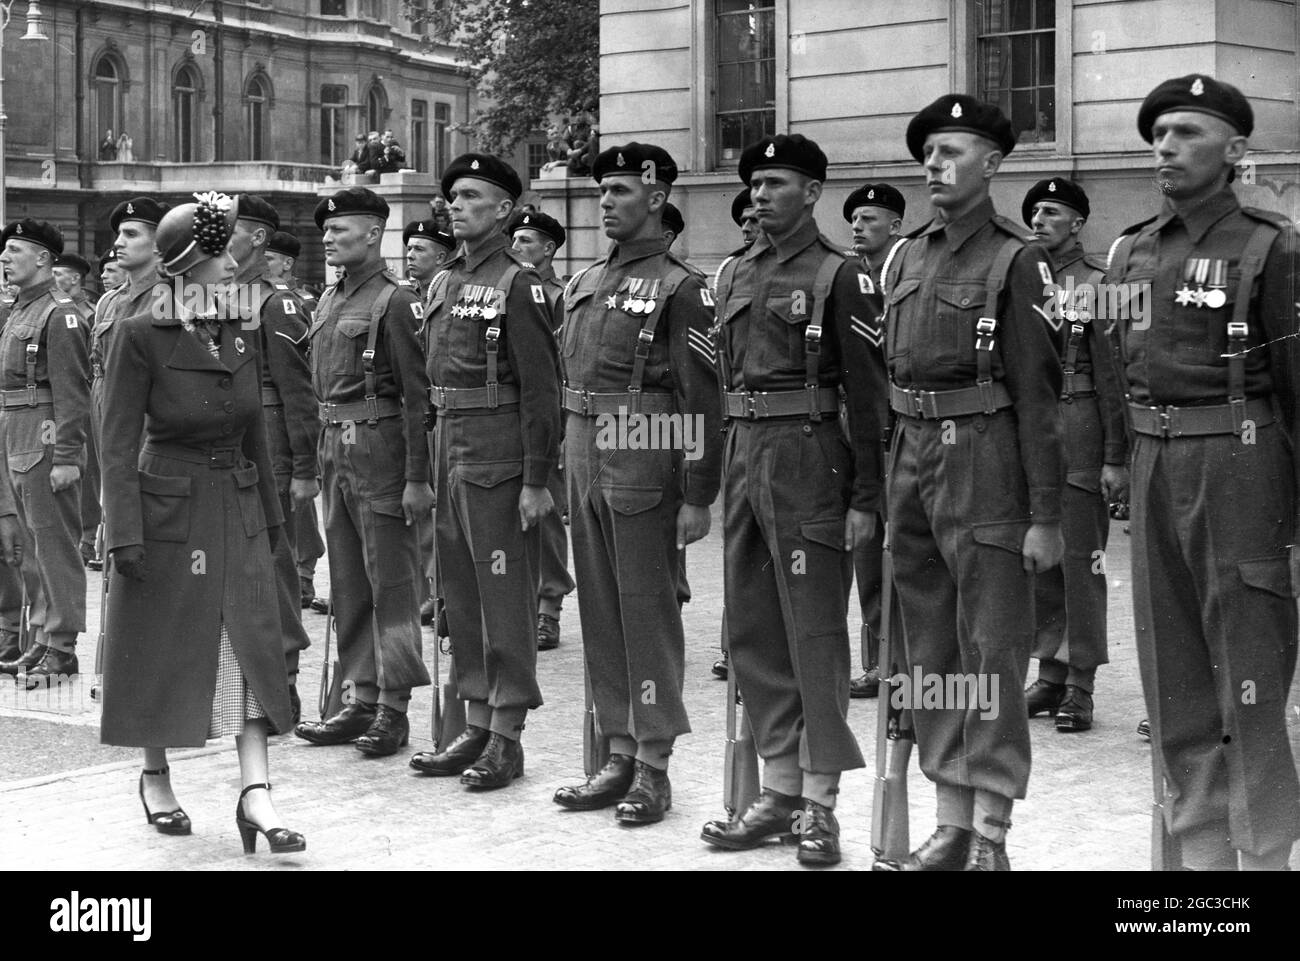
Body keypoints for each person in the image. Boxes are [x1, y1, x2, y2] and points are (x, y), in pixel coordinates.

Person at [1108, 75, 1299, 871]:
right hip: (1154, 463)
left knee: (1246, 684)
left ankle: (1261, 863)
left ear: (1236, 150)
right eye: (1160, 133)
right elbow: (1111, 367)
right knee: (1175, 682)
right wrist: (1117, 461)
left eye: (1188, 132)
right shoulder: (1130, 250)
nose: (1166, 146)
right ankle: (1200, 866)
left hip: (1239, 463)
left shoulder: (1273, 245)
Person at [872, 95, 1064, 873]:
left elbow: (1042, 398)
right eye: (929, 153)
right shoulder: (904, 257)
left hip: (985, 458)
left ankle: (990, 830)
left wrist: (1046, 514)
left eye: (954, 151)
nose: (935, 165)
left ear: (993, 163)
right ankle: (949, 817)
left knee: (988, 650)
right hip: (912, 455)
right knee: (930, 648)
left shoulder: (1020, 261)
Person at [698, 134, 885, 867]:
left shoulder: (842, 275)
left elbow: (869, 401)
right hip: (746, 455)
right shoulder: (736, 271)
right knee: (751, 629)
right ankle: (777, 786)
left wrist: (868, 496)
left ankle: (821, 800)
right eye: (756, 183)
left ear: (812, 192)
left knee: (813, 632)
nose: (761, 193)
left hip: (809, 457)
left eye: (777, 182)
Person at [98, 192, 303, 854]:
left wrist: (276, 528)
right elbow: (117, 439)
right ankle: (155, 774)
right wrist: (124, 530)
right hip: (167, 510)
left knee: (249, 644)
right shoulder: (139, 334)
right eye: (221, 263)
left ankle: (257, 793)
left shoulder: (244, 329)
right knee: (159, 644)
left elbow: (256, 438)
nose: (235, 272)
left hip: (235, 504)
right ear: (187, 269)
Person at [551, 142, 722, 823]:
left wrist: (698, 492)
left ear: (656, 198)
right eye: (603, 192)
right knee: (599, 613)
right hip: (586, 454)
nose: (607, 202)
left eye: (621, 190)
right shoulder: (586, 280)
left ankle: (653, 764)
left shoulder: (684, 287)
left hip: (643, 457)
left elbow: (701, 398)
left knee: (646, 613)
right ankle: (616, 749)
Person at [408, 153, 559, 788]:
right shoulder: (442, 283)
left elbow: (542, 392)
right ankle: (473, 720)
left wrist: (535, 481)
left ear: (503, 210)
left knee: (503, 600)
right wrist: (421, 472)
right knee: (460, 601)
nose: (457, 205)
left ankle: (507, 732)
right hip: (450, 451)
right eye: (454, 197)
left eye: (472, 196)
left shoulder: (519, 285)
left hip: (498, 456)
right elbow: (425, 388)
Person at [293, 187, 433, 756]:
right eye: (325, 230)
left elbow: (420, 400)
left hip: (380, 448)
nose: (328, 237)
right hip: (335, 446)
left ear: (374, 232)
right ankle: (360, 695)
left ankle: (394, 707)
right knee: (348, 582)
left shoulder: (397, 302)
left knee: (392, 583)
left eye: (340, 229)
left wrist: (418, 478)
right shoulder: (327, 300)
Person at [1019, 177, 1128, 733]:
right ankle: (1049, 674)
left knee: (1083, 558)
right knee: (1041, 556)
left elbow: (1114, 375)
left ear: (1078, 223)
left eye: (1052, 212)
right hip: (1031, 425)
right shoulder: (1019, 278)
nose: (1039, 219)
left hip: (1080, 418)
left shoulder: (1099, 284)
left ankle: (1080, 683)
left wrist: (1116, 456)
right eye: (1034, 211)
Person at [229, 196, 320, 726]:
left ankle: (283, 679)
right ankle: (240, 675)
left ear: (259, 239)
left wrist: (305, 468)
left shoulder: (276, 303)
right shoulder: (214, 295)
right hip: (223, 444)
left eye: (233, 231)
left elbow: (298, 392)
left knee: (273, 561)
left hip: (269, 447)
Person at [0, 220, 90, 687]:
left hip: (45, 433)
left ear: (43, 259)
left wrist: (67, 456)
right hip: (16, 432)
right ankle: (41, 636)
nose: (4, 257)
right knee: (32, 549)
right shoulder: (19, 311)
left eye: (15, 250)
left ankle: (63, 644)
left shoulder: (61, 314)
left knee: (54, 545)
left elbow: (74, 392)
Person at [840, 182, 907, 700]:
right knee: (867, 551)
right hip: (855, 430)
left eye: (870, 218)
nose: (859, 227)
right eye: (855, 219)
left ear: (896, 225)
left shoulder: (905, 276)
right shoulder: (844, 278)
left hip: (903, 431)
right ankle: (878, 662)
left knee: (904, 549)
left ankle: (906, 663)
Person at [507, 209, 573, 651]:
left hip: (548, 416)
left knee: (545, 516)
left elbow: (563, 368)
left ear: (549, 249)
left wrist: (561, 432)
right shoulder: (505, 286)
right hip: (505, 417)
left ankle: (549, 607)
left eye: (527, 240)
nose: (517, 247)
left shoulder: (558, 296)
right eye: (514, 239)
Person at [52, 253, 101, 569]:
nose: (53, 279)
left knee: (88, 472)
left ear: (74, 279)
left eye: (59, 274)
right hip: (61, 399)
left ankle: (87, 537)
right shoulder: (52, 310)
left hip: (83, 397)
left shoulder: (88, 313)